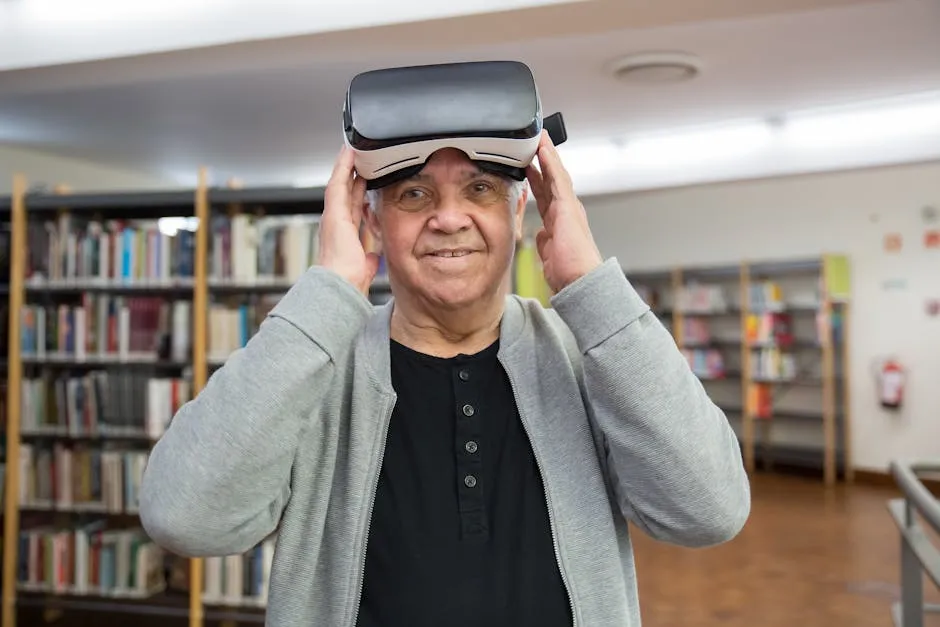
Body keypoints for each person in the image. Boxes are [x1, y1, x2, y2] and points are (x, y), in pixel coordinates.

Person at [139, 130, 751, 627]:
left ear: (518, 214)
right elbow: (186, 516)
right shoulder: (320, 363)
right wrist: (328, 289)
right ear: (371, 222)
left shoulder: (588, 354)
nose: (449, 218)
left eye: (479, 189)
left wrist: (590, 286)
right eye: (413, 195)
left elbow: (708, 511)